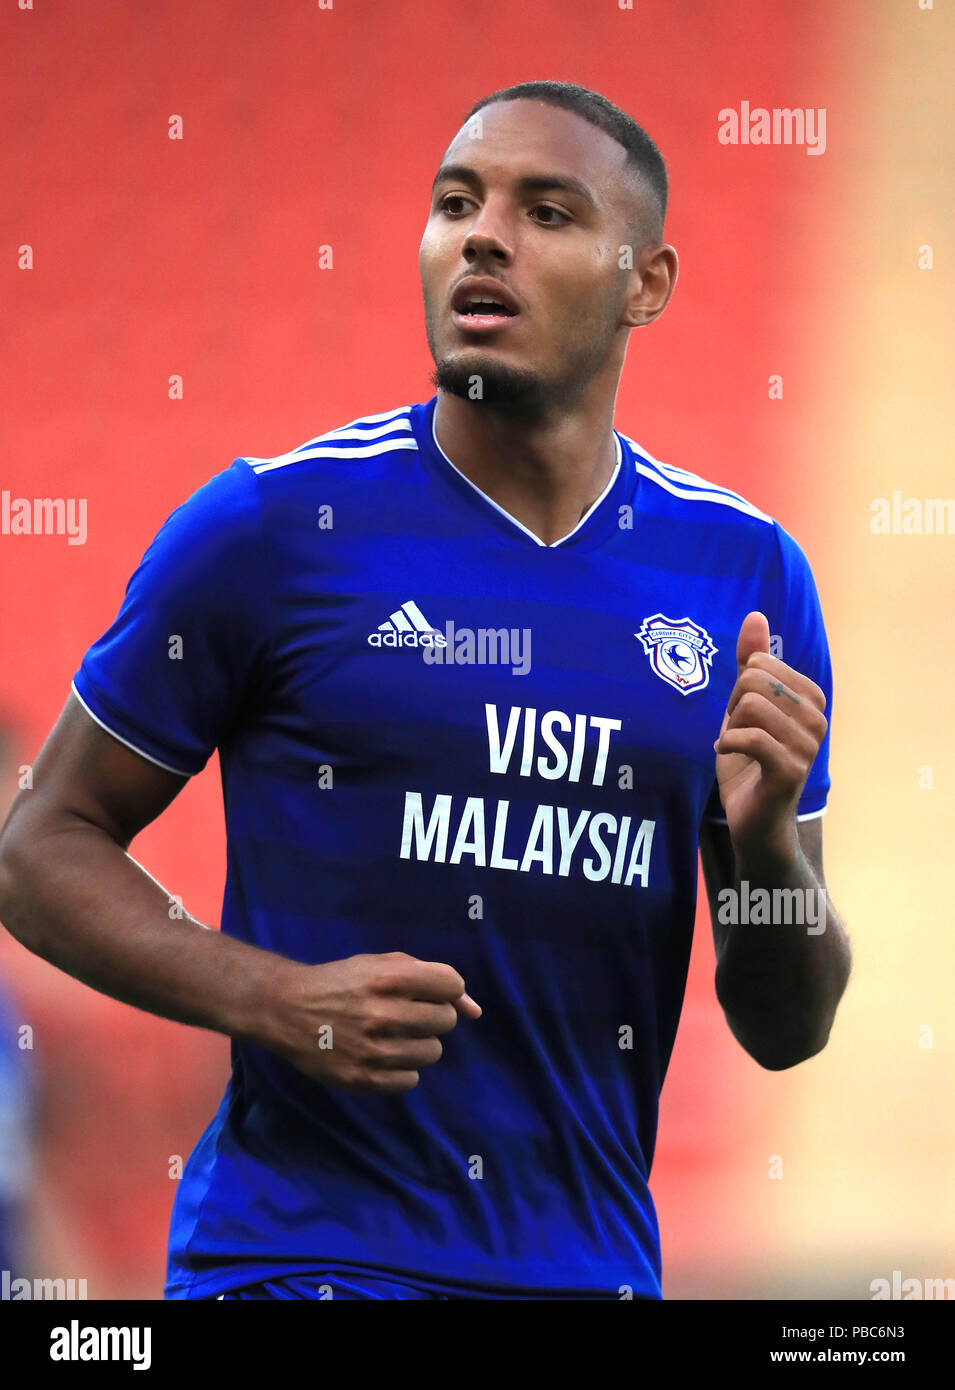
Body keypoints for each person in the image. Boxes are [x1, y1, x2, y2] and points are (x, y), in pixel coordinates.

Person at [0, 80, 851, 1301]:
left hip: (587, 1273)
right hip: (298, 1264)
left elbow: (787, 1026)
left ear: (645, 284)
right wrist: (275, 997)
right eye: (456, 203)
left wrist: (767, 846)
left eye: (546, 211)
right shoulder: (275, 527)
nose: (481, 235)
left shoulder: (745, 576)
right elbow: (39, 847)